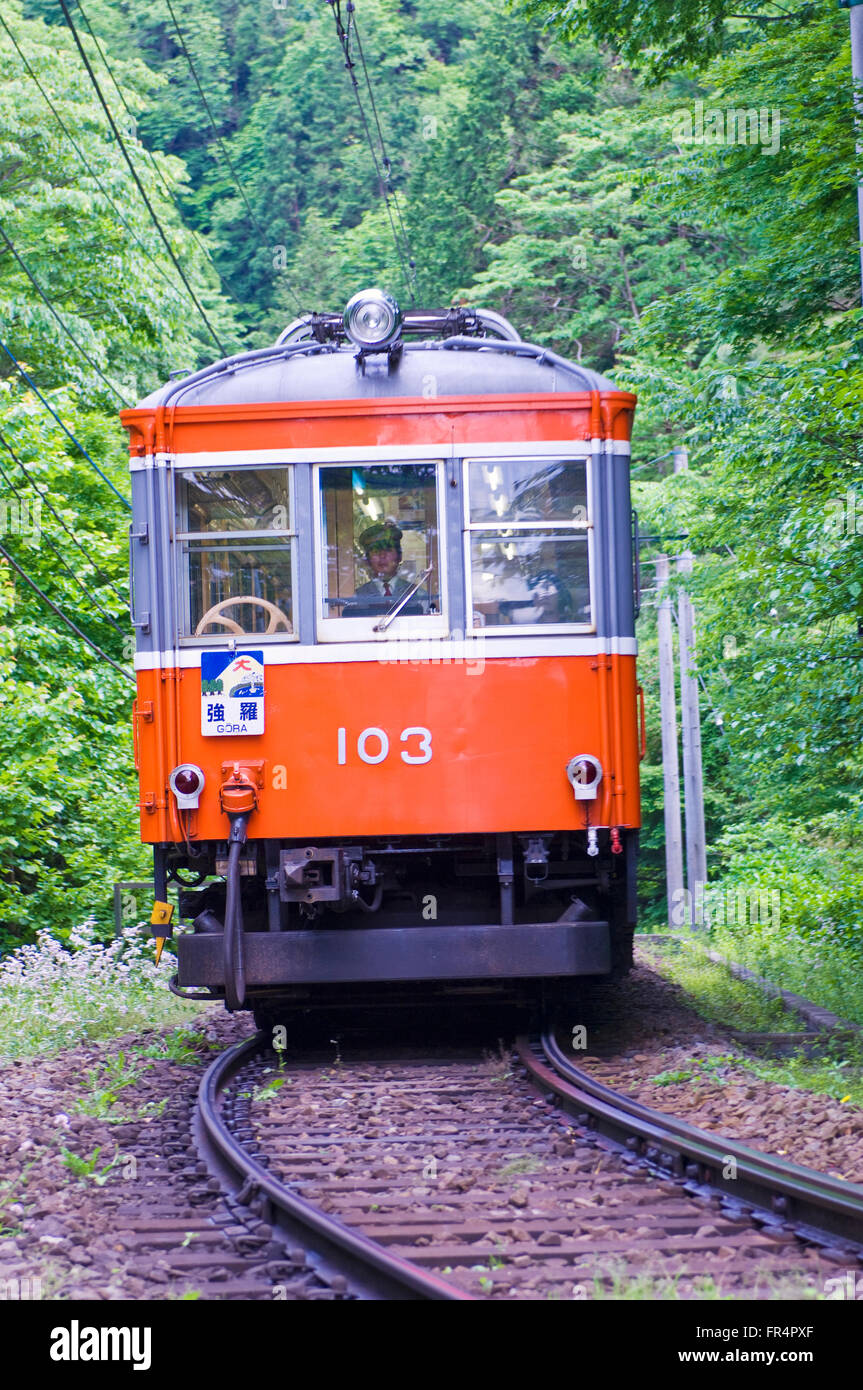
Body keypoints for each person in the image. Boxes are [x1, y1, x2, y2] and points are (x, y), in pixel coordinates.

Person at [344, 520, 430, 617]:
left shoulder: (418, 595)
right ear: (368, 559)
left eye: (388, 549)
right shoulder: (357, 599)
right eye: (376, 550)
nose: (382, 555)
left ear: (399, 556)